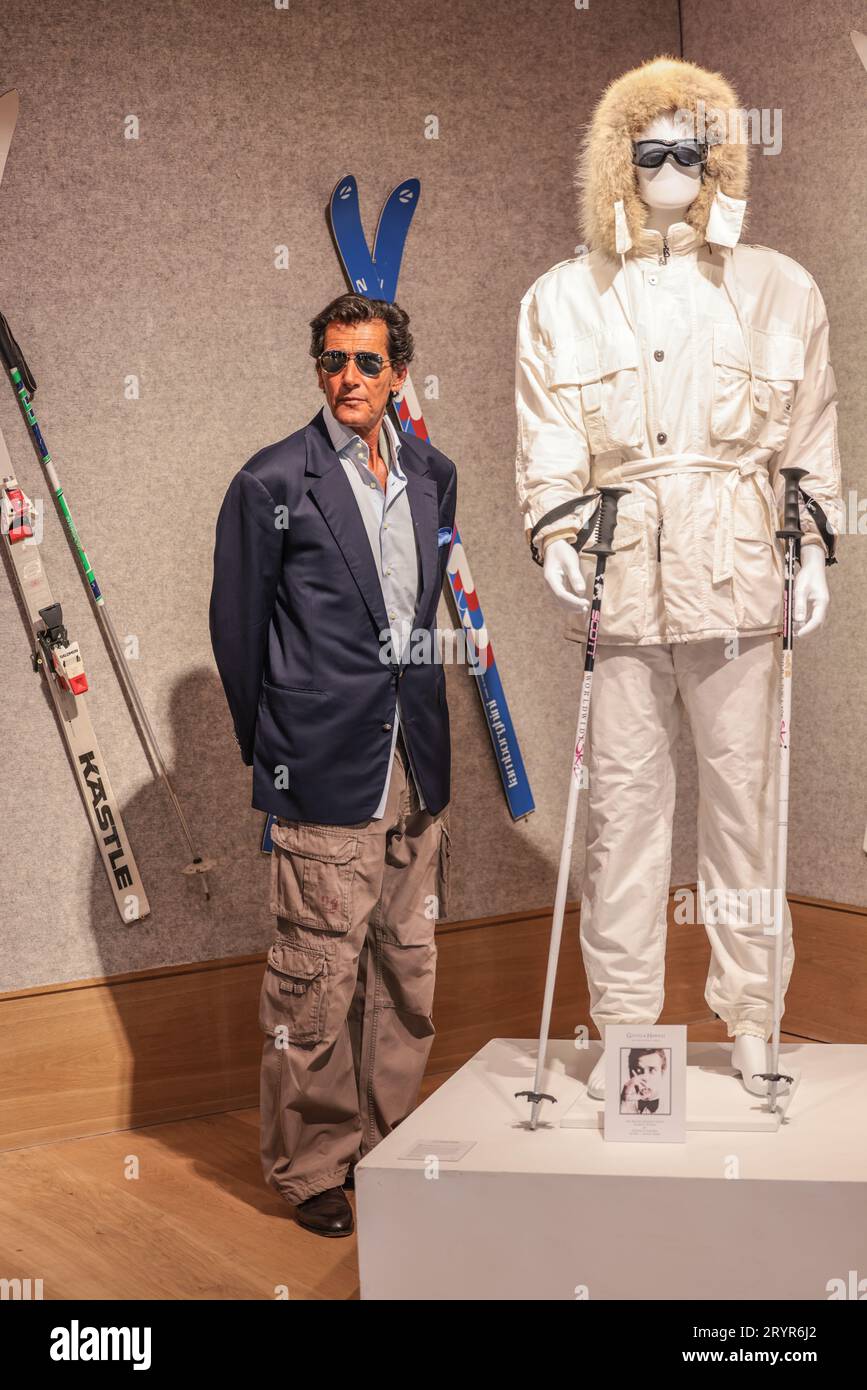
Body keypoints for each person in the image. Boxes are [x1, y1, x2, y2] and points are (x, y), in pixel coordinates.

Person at [515, 57, 841, 1101]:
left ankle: (753, 1016)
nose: (667, 169)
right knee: (622, 816)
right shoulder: (563, 297)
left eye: (687, 149)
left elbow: (812, 437)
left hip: (741, 580)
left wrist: (817, 547)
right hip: (617, 588)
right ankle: (624, 1026)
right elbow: (549, 439)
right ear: (617, 155)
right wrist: (557, 536)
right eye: (645, 148)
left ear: (721, 158)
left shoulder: (779, 287)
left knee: (745, 811)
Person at [209, 293, 457, 1237]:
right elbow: (237, 635)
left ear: (398, 372)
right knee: (313, 982)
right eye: (331, 361)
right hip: (320, 768)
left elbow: (420, 616)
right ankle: (312, 1169)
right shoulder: (272, 480)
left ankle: (386, 1150)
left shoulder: (434, 474)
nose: (346, 379)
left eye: (365, 362)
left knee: (406, 971)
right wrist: (278, 751)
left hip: (415, 765)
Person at [620, 1048, 667, 1114]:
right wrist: (623, 1103)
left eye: (652, 1070)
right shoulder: (621, 1103)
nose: (645, 1077)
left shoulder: (671, 1106)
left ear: (662, 1073)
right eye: (638, 1070)